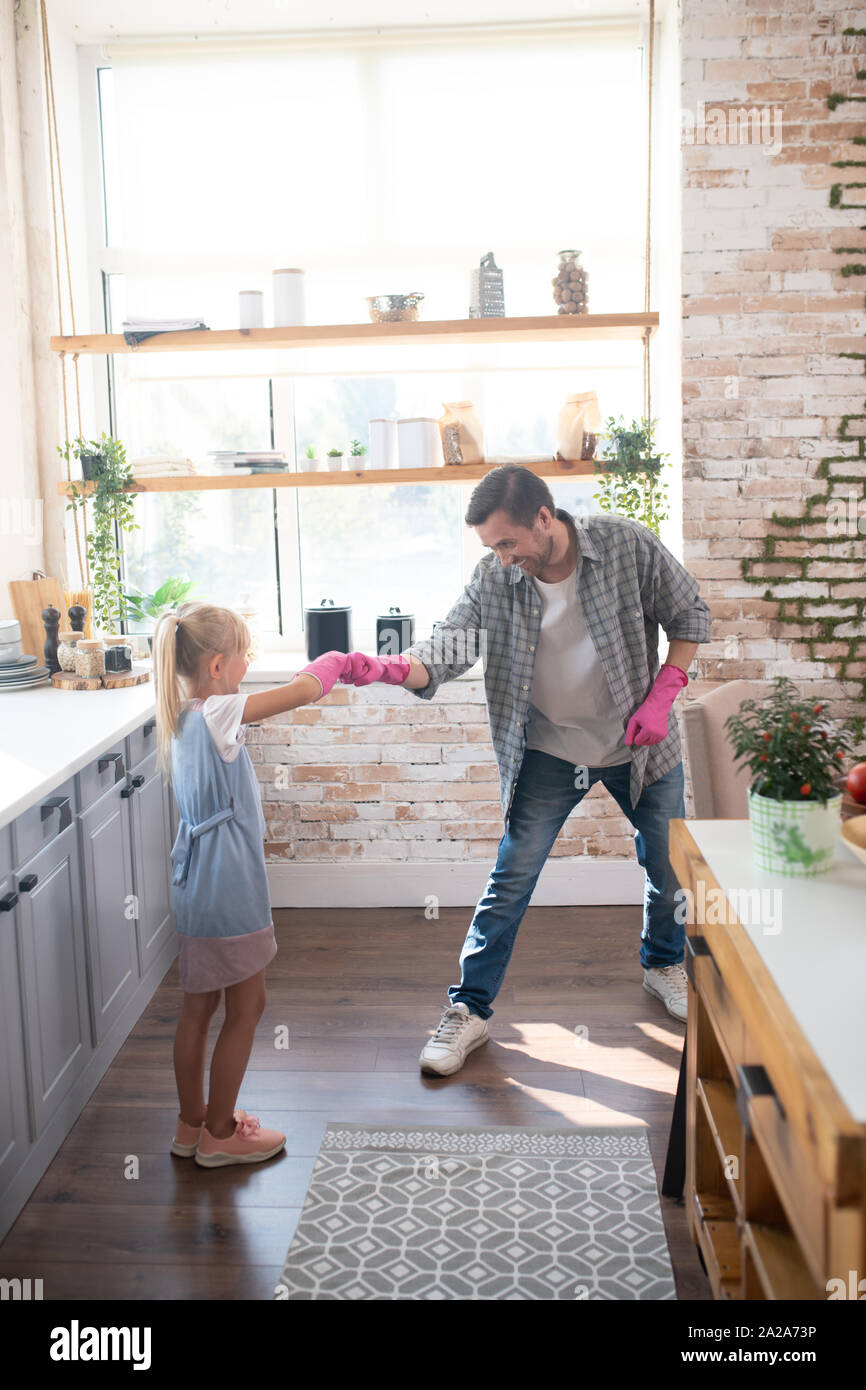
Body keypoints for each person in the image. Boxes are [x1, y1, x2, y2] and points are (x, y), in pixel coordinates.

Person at [348, 465, 712, 1076]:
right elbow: (450, 644)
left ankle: (662, 964)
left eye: (507, 542)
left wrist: (663, 695)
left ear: (545, 519)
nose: (500, 556)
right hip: (549, 749)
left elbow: (691, 614)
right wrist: (384, 668)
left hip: (638, 743)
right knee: (511, 877)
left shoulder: (624, 543)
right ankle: (469, 1009)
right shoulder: (495, 576)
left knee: (667, 864)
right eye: (491, 546)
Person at [153, 603, 355, 1165]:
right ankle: (221, 1132)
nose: (249, 664)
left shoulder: (182, 712)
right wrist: (333, 663)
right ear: (218, 665)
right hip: (228, 885)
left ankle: (190, 1124)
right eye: (244, 654)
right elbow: (299, 694)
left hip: (193, 881)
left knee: (198, 1006)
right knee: (249, 1003)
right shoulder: (220, 710)